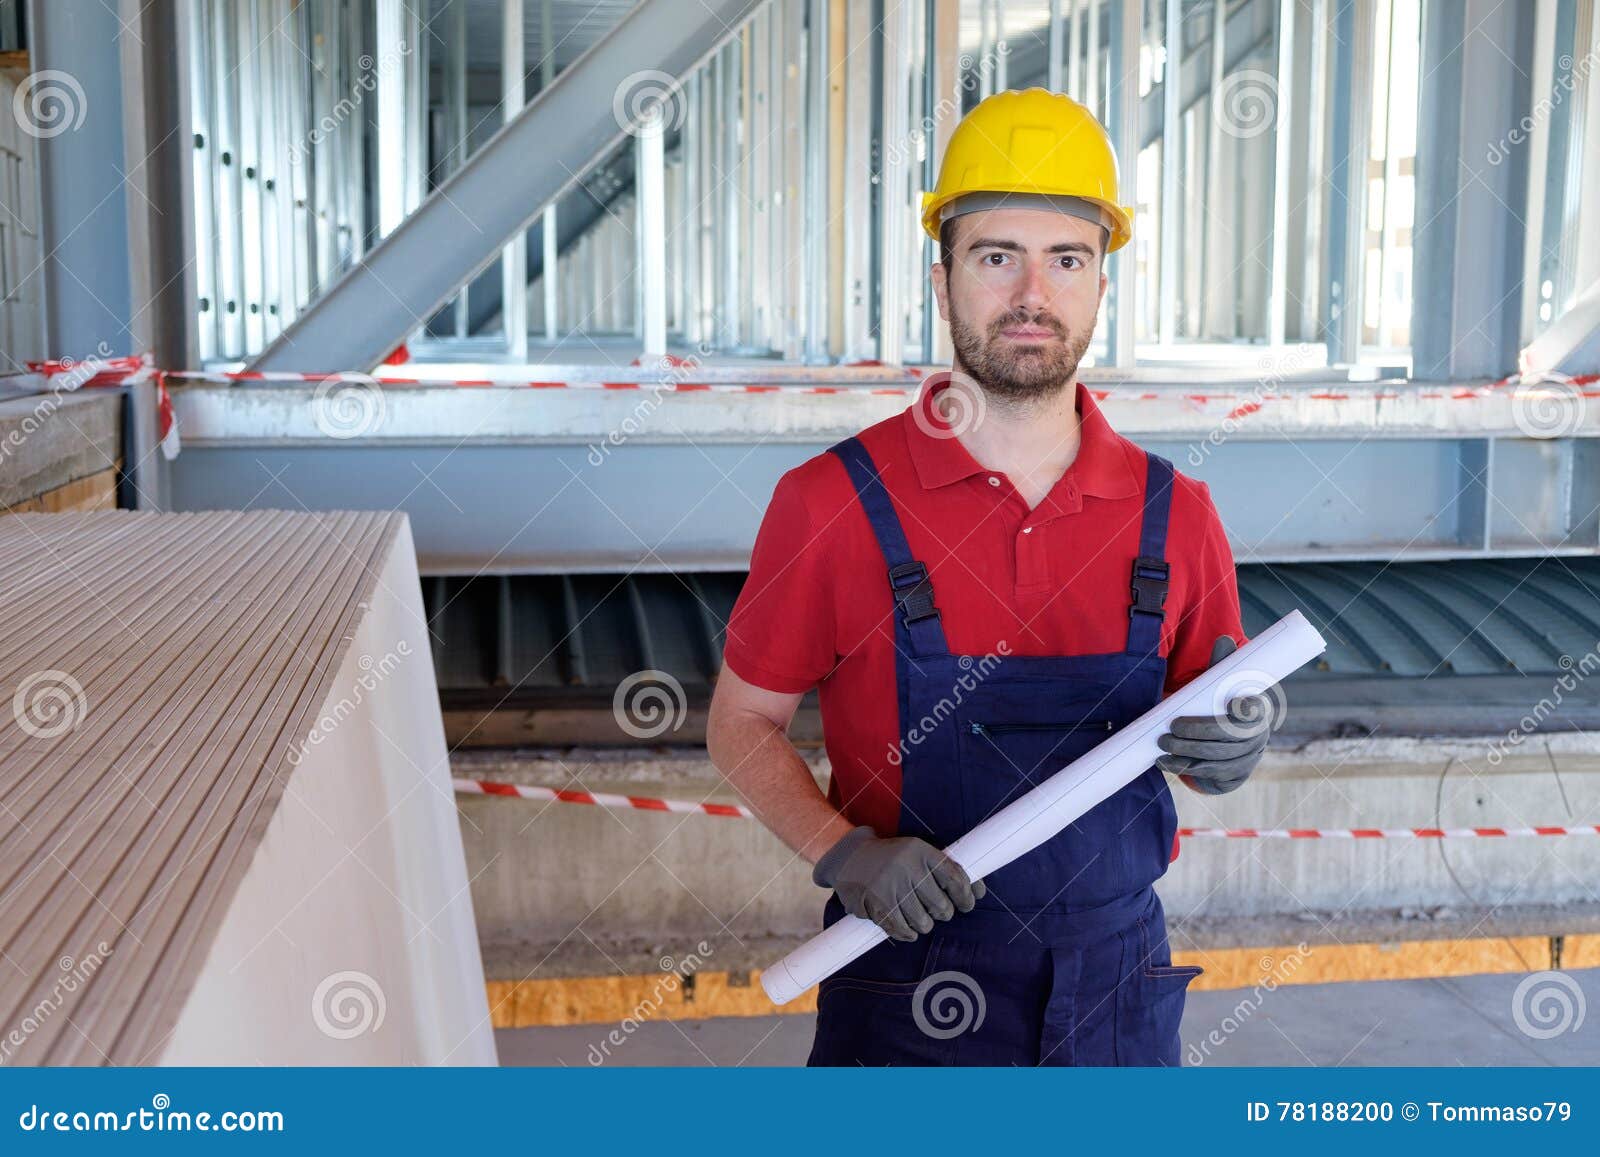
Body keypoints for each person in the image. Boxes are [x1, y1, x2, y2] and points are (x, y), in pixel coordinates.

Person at [705, 87, 1284, 1067]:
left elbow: (1207, 715)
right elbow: (739, 721)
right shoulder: (829, 502)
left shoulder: (1175, 512)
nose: (1032, 292)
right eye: (993, 256)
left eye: (1067, 258)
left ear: (1102, 283)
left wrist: (1239, 739)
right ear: (942, 282)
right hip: (903, 987)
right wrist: (843, 854)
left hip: (1119, 997)